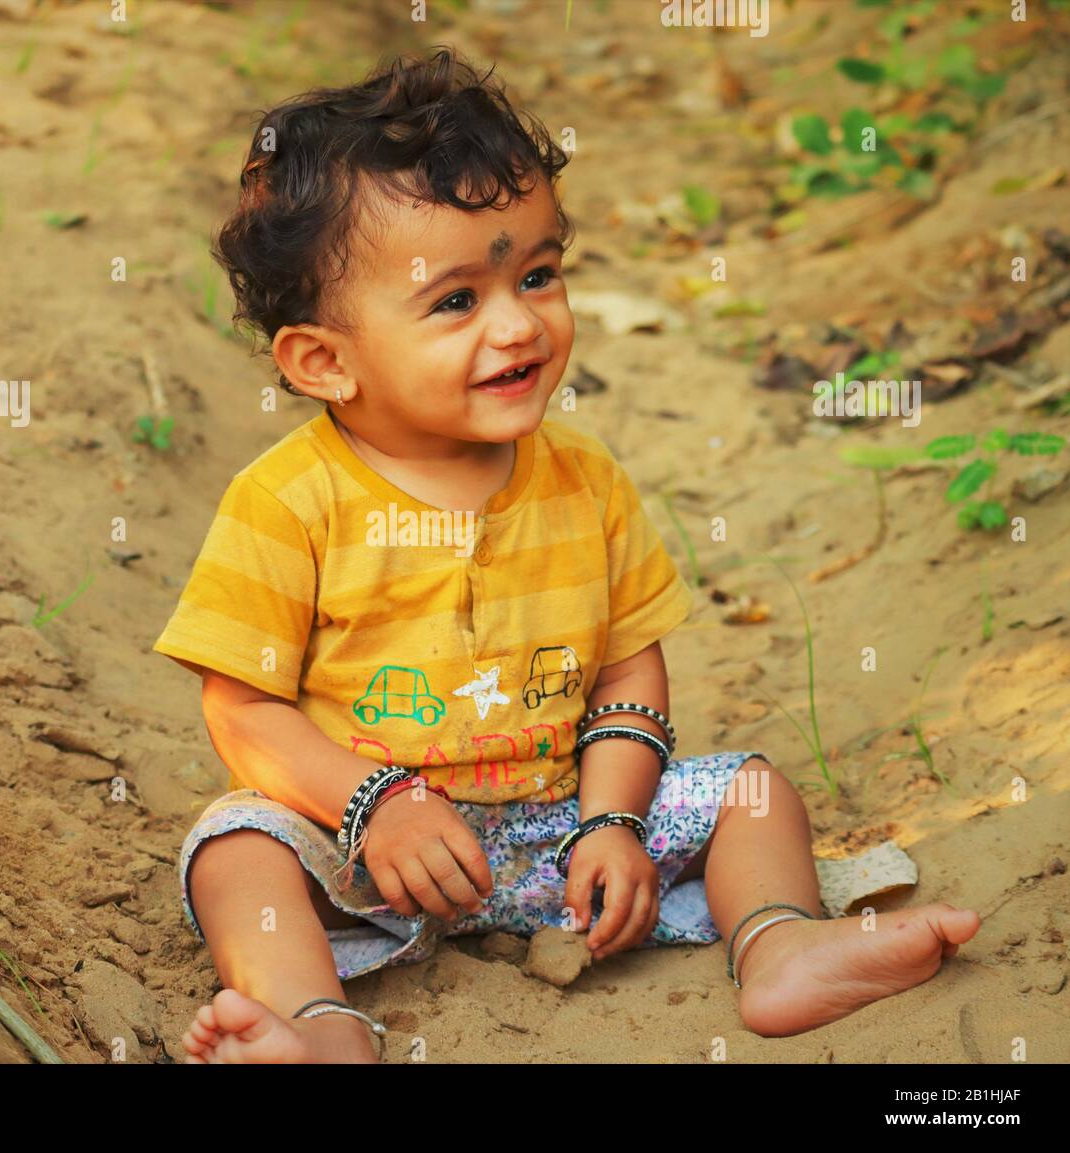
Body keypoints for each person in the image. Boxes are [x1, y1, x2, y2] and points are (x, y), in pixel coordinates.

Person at [153, 47, 980, 1064]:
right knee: (235, 848)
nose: (519, 323)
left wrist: (612, 821)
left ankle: (781, 945)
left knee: (753, 791)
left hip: (559, 826)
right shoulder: (285, 502)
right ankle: (315, 1023)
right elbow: (240, 707)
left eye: (537, 274)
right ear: (325, 360)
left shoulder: (582, 478)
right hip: (371, 846)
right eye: (455, 301)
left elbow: (629, 671)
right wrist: (376, 804)